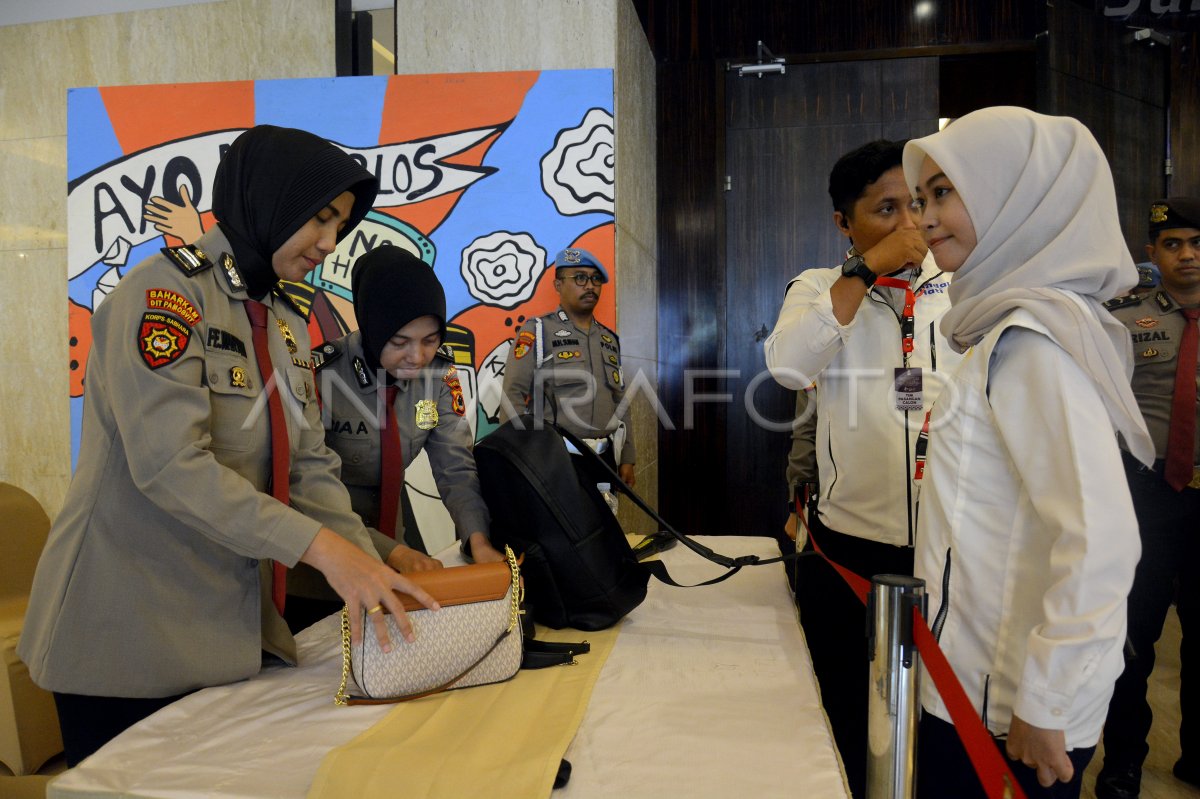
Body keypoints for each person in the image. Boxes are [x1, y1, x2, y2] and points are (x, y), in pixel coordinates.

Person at [17, 125, 439, 766]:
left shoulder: (287, 322)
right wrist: (323, 551)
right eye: (320, 219)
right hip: (124, 635)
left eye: (340, 225)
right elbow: (169, 466)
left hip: (220, 628)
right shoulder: (166, 297)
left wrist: (374, 561)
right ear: (268, 200)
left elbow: (308, 468)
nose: (329, 244)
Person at [902, 106, 1154, 799]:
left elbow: (1101, 538)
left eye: (946, 193)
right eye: (922, 199)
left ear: (1015, 194)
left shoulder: (1031, 339)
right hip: (974, 677)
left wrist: (1044, 699)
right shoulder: (1001, 324)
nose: (924, 217)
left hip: (1007, 700)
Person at [763, 139, 959, 798]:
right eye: (886, 208)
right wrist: (866, 270)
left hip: (948, 546)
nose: (913, 223)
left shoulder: (960, 286)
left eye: (922, 203)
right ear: (844, 221)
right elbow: (790, 365)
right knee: (845, 710)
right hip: (848, 547)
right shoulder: (821, 288)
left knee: (936, 721)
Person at [286, 245, 505, 630]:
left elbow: (455, 465)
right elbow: (306, 488)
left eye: (430, 340)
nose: (417, 357)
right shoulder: (321, 376)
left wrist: (478, 540)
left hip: (395, 558)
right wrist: (393, 553)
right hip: (320, 576)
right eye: (400, 342)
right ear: (373, 328)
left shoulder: (439, 375)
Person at [1095, 197, 1200, 799]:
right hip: (1146, 496)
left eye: (1196, 243)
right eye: (1173, 244)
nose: (1186, 255)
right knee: (1134, 637)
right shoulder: (1122, 317)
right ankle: (1123, 763)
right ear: (1153, 252)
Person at [500, 247, 635, 488]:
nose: (590, 286)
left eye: (595, 279)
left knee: (606, 524)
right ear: (558, 284)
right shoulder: (538, 331)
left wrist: (627, 458)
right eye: (580, 278)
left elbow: (621, 402)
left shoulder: (609, 340)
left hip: (605, 460)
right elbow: (513, 394)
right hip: (556, 458)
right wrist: (520, 457)